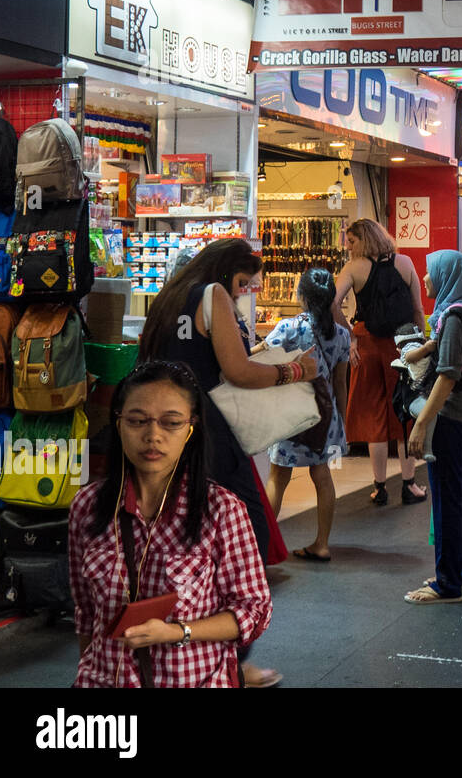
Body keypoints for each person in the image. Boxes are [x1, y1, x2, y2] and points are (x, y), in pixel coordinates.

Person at [141, 238, 315, 688]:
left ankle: (184, 655)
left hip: (162, 431)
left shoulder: (169, 296)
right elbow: (236, 370)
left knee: (180, 548)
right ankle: (229, 660)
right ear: (226, 272)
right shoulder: (211, 294)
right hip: (206, 436)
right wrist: (294, 371)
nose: (241, 293)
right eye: (242, 283)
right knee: (245, 538)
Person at [68, 361, 272, 687]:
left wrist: (178, 632)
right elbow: (86, 612)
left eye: (171, 423)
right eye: (137, 421)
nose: (153, 436)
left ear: (191, 429)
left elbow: (255, 611)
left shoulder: (221, 511)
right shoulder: (87, 507)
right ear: (118, 424)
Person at [402, 251, 462, 603]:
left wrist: (421, 424)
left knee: (447, 499)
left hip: (451, 417)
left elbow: (449, 375)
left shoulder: (454, 316)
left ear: (447, 276)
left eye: (429, 273)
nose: (424, 280)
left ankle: (447, 582)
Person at [331, 218, 427, 507]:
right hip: (402, 346)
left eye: (352, 241)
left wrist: (349, 337)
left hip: (367, 343)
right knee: (404, 413)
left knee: (373, 413)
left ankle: (380, 486)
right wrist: (419, 346)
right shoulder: (405, 263)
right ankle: (409, 485)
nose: (348, 247)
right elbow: (418, 310)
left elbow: (331, 303)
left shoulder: (354, 268)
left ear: (365, 240)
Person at [264, 269, 353, 561]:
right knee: (322, 475)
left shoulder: (289, 328)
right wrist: (341, 421)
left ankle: (264, 547)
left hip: (292, 415)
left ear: (301, 296)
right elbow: (340, 383)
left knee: (278, 477)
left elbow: (259, 357)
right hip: (324, 417)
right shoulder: (341, 334)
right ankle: (322, 543)